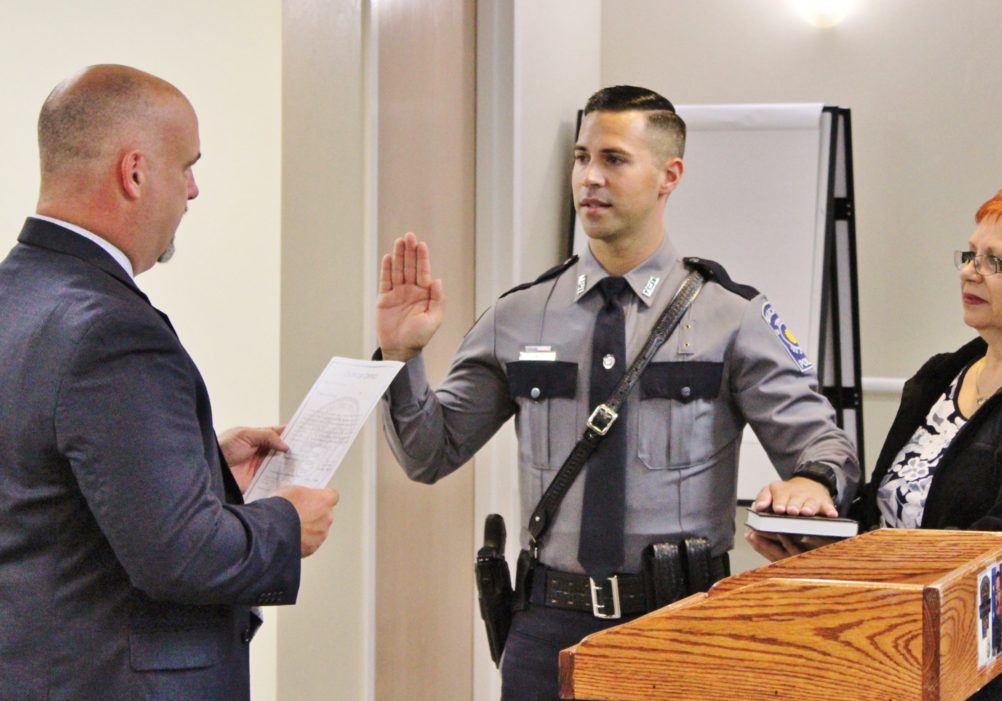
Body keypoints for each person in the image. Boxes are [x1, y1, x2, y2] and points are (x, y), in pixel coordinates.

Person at [376, 85, 859, 700]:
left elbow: (824, 445)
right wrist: (400, 357)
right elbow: (428, 454)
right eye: (581, 158)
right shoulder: (519, 316)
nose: (589, 177)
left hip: (681, 624)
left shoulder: (730, 317)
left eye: (613, 159)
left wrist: (812, 481)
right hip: (546, 630)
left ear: (668, 175)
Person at [0, 65, 340, 700]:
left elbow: (45, 488)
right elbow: (182, 557)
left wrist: (204, 469)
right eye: (186, 166)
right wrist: (285, 524)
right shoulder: (111, 329)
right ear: (134, 173)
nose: (192, 190)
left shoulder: (15, 296)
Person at [747, 178, 1002, 700]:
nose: (971, 270)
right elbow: (885, 507)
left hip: (991, 667)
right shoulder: (939, 376)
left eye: (995, 260)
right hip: (895, 646)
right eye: (969, 254)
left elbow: (998, 542)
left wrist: (852, 566)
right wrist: (815, 532)